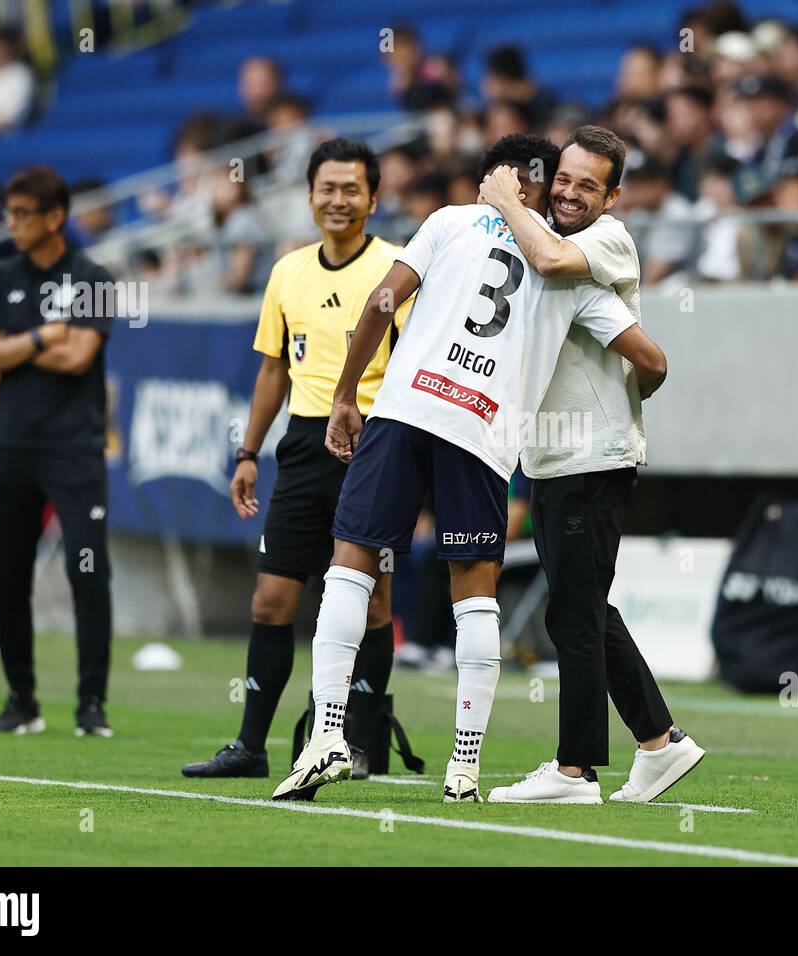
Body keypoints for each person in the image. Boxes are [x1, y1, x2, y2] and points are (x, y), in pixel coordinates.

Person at [271, 134, 667, 804]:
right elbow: (651, 361)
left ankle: (329, 735)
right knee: (474, 594)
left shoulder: (448, 222)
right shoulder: (571, 269)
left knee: (349, 566)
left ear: (495, 180)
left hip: (404, 407)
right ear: (543, 187)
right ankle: (464, 768)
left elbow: (380, 304)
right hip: (483, 433)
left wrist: (343, 397)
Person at [477, 126, 704, 804]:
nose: (571, 192)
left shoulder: (605, 240)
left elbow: (552, 263)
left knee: (573, 616)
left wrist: (503, 199)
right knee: (585, 609)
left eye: (587, 184)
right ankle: (661, 744)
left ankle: (575, 770)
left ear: (612, 195)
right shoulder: (551, 242)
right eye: (564, 178)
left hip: (590, 458)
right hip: (552, 456)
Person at [181, 139, 412, 781]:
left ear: (373, 196)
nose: (338, 200)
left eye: (351, 189)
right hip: (305, 446)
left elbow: (416, 364)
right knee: (271, 601)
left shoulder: (399, 269)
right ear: (310, 196)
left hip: (374, 446)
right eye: (327, 189)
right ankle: (250, 747)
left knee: (370, 603)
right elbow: (273, 369)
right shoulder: (287, 272)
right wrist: (248, 451)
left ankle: (359, 745)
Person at [0, 166, 114, 737]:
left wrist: (12, 348)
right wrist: (38, 337)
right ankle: (21, 699)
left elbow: (78, 357)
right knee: (8, 572)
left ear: (55, 217)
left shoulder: (95, 277)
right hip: (11, 444)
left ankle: (91, 704)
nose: (11, 223)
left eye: (22, 213)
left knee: (87, 567)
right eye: (9, 212)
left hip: (73, 447)